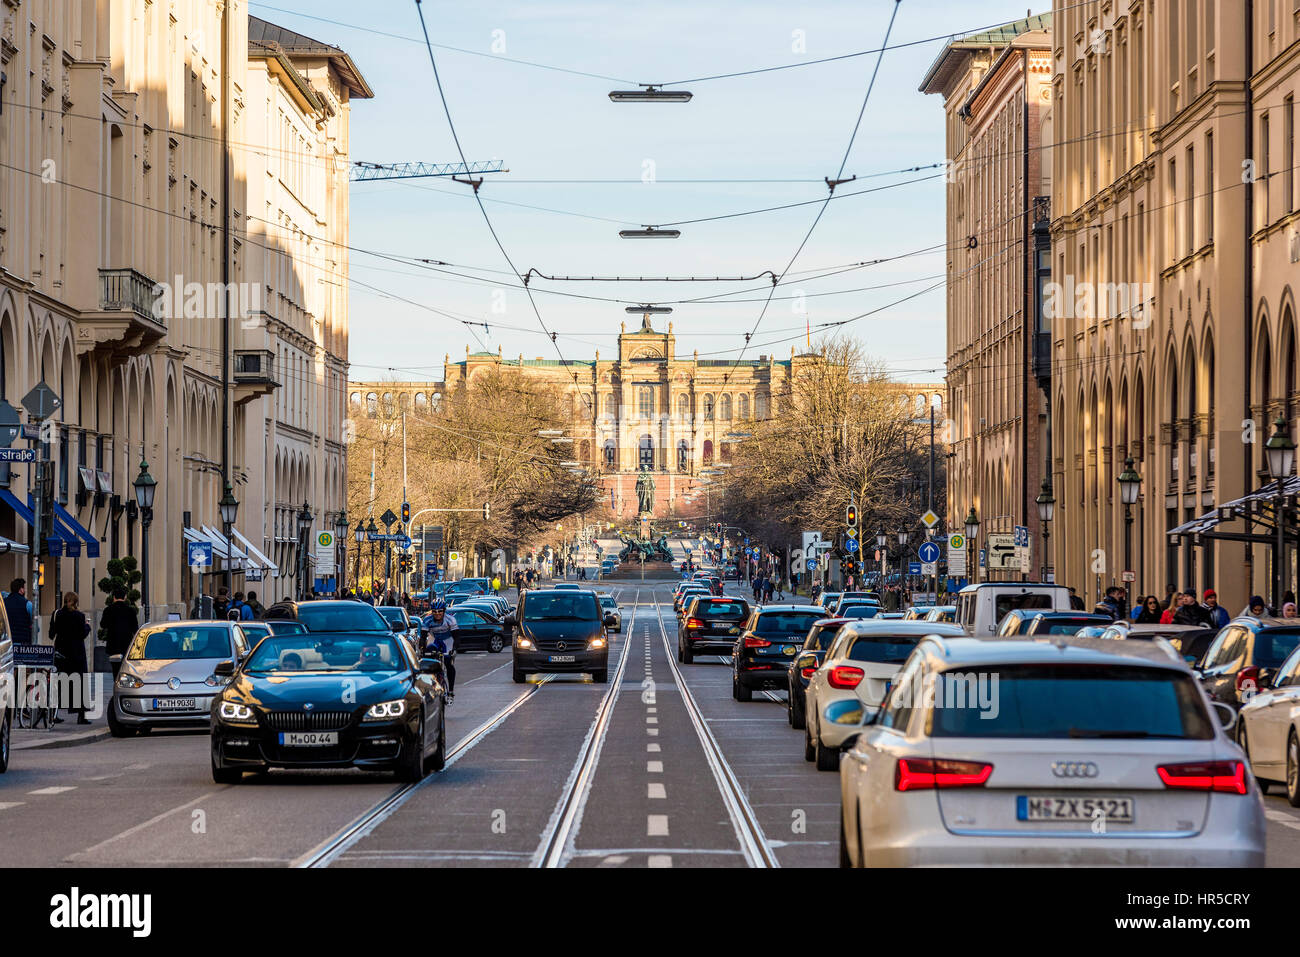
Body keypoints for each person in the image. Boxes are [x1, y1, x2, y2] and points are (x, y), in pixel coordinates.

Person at [51, 591, 91, 724]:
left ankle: (53, 713)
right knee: (79, 683)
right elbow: (81, 634)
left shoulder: (57, 614)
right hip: (76, 653)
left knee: (59, 682)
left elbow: (52, 634)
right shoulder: (79, 616)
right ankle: (81, 716)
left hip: (61, 652)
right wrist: (87, 627)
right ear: (76, 602)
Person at [421, 599, 458, 705]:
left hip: (448, 640)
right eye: (435, 612)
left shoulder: (450, 620)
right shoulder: (427, 620)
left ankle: (450, 692)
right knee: (428, 658)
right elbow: (423, 638)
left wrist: (454, 649)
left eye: (440, 611)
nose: (437, 614)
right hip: (435, 639)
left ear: (444, 611)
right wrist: (423, 651)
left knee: (448, 663)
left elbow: (457, 637)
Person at [100, 586, 139, 679]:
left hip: (113, 644)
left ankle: (116, 686)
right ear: (125, 597)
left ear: (114, 597)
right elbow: (135, 628)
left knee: (115, 669)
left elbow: (103, 624)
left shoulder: (108, 610)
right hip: (126, 644)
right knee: (125, 669)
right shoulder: (131, 610)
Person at [3, 577, 33, 644]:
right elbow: (35, 626)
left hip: (8, 643)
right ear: (21, 589)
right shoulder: (27, 604)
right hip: (23, 645)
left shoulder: (4, 603)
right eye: (24, 588)